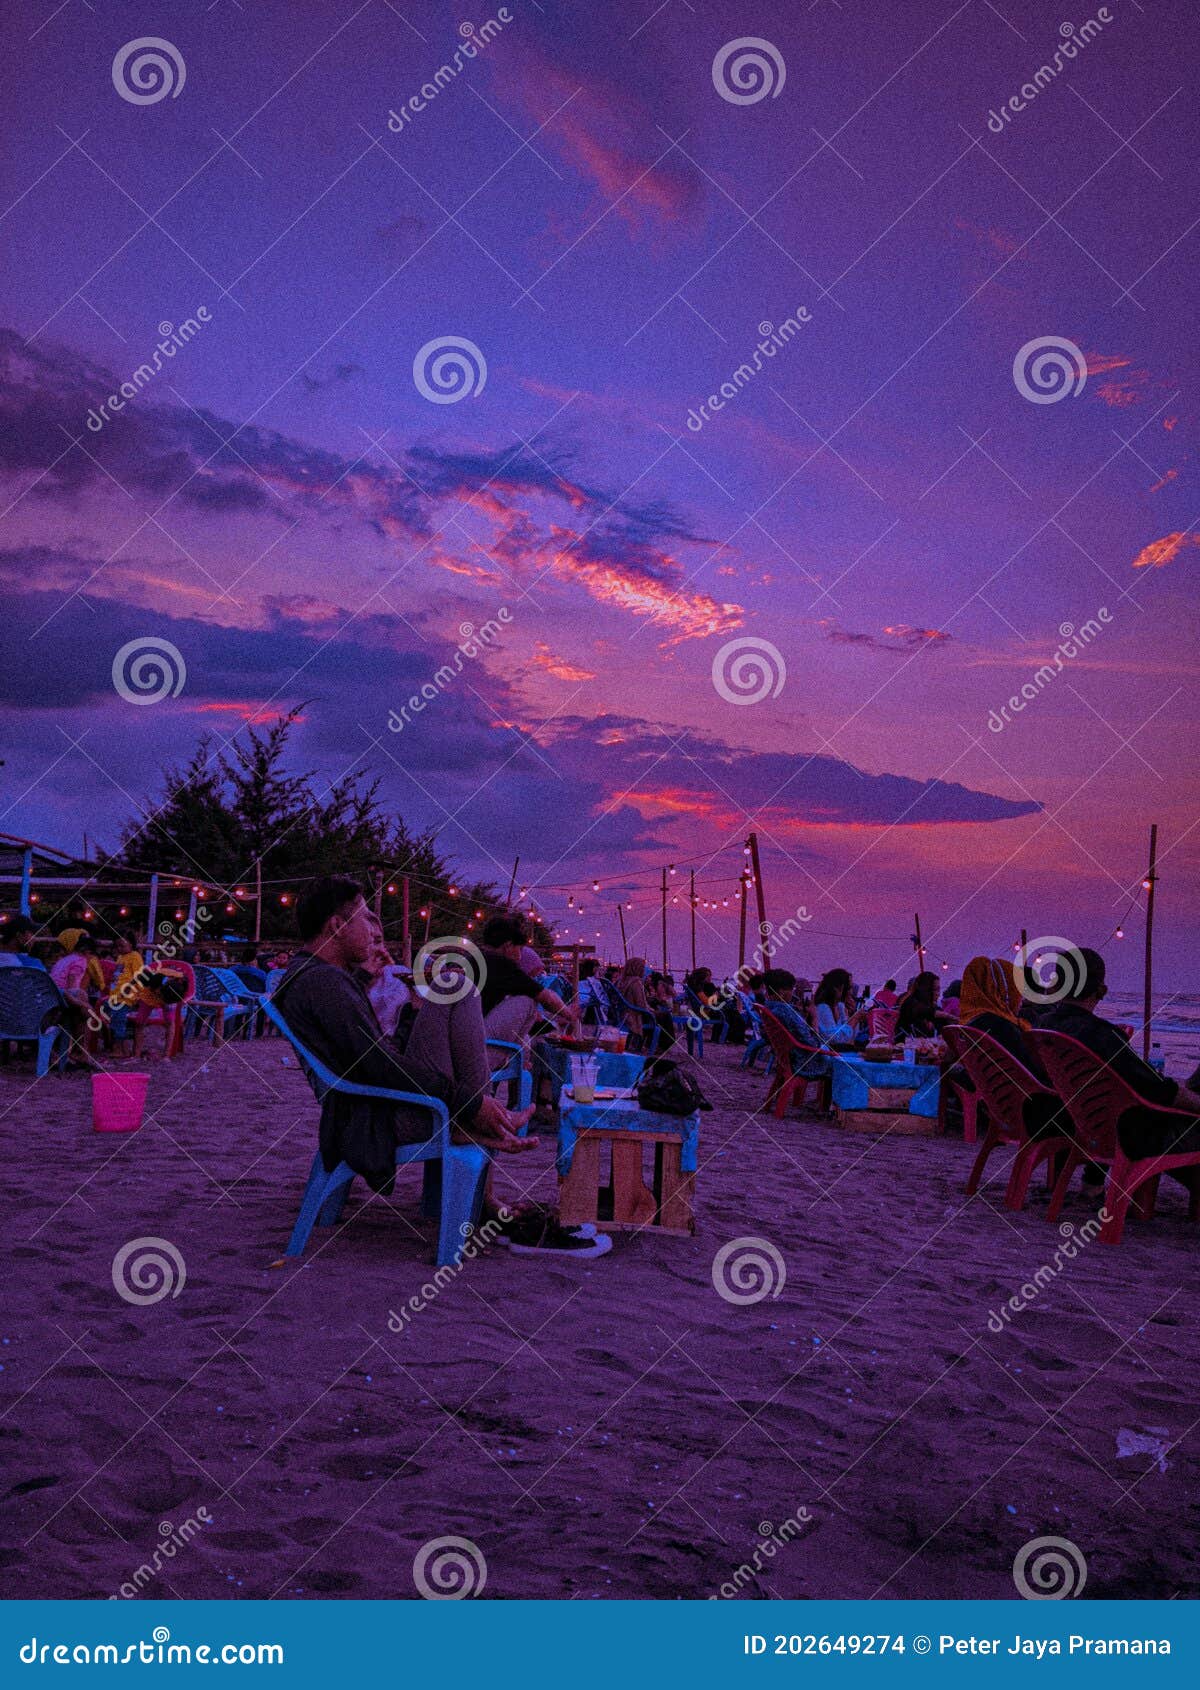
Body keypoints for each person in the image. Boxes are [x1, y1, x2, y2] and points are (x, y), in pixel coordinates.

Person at [273, 878, 536, 1192]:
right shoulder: (324, 984)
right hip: (381, 1117)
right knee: (456, 984)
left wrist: (408, 1006)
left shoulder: (315, 977)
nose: (374, 932)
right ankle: (479, 1124)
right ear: (337, 926)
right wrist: (468, 1102)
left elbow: (380, 1054)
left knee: (453, 987)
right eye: (366, 919)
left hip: (372, 1106)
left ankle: (477, 1125)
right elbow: (380, 1065)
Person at [1037, 948, 1200, 1158]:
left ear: (1058, 985)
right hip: (1127, 1135)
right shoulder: (1101, 1035)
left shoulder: (1043, 1028)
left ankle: (1093, 1186)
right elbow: (1159, 1090)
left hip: (1076, 1121)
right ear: (1101, 990)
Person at [49, 934, 102, 1068]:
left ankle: (79, 1052)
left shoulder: (66, 959)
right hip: (61, 997)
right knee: (85, 1009)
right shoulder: (80, 961)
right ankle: (83, 1053)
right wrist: (85, 1004)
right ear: (87, 952)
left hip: (51, 996)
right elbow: (72, 987)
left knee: (83, 1009)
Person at [813, 968, 864, 1047]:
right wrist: (855, 1018)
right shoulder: (823, 1008)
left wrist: (853, 1014)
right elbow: (835, 1040)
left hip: (839, 1051)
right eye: (849, 988)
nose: (851, 992)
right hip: (827, 1054)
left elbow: (850, 1038)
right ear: (837, 988)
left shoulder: (839, 1006)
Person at [895, 971, 943, 1040]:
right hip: (905, 1047)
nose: (938, 994)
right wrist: (950, 1017)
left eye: (939, 990)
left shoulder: (932, 1006)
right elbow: (926, 1012)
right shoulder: (910, 1003)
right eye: (935, 990)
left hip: (924, 1047)